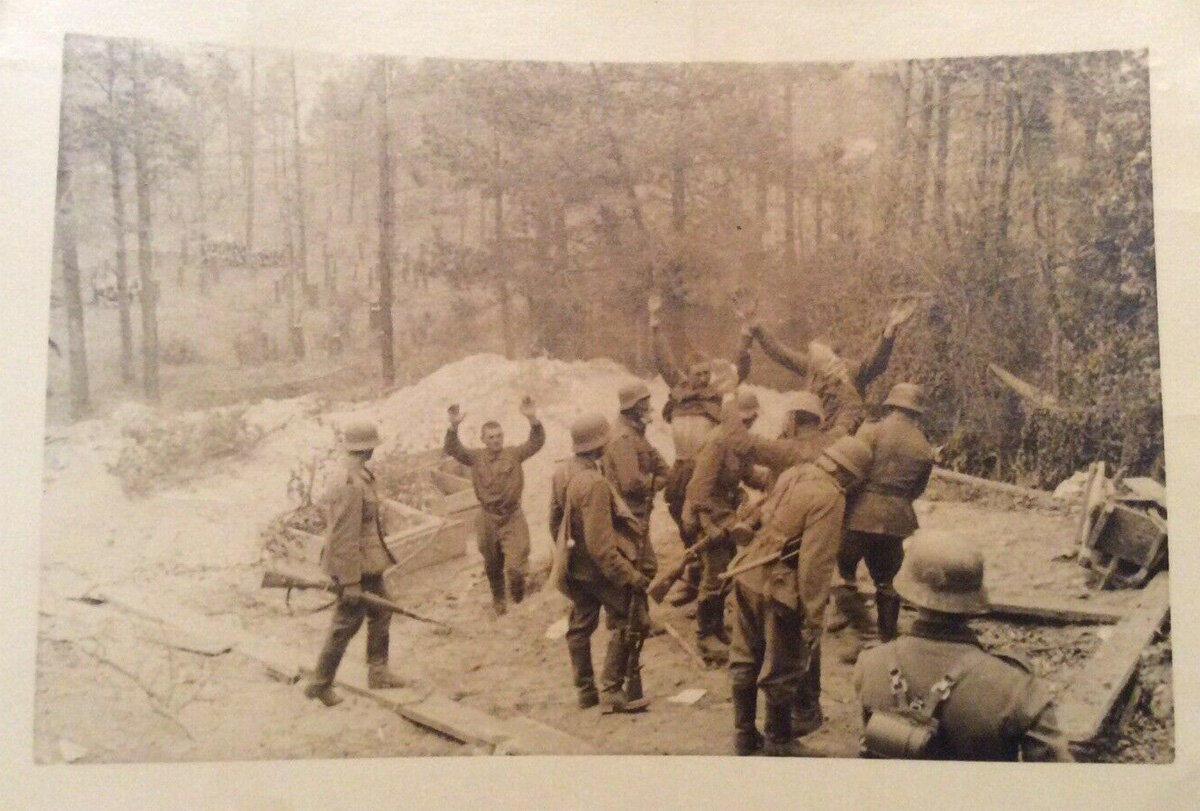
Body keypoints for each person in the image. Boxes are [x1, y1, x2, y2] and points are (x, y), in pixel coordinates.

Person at [854, 536, 1074, 761]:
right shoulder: (1014, 685)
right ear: (973, 601)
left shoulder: (870, 664)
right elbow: (1056, 775)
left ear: (909, 594)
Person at [726, 435, 873, 755]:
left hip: (747, 574)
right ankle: (778, 742)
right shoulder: (830, 496)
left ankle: (744, 735)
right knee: (783, 664)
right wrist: (813, 616)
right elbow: (815, 565)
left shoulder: (795, 473)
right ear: (849, 475)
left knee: (745, 656)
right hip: (778, 588)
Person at [551, 413, 655, 713]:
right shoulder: (595, 483)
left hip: (577, 568)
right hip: (600, 571)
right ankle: (611, 689)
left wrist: (571, 555)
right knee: (632, 620)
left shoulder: (565, 474)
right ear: (598, 446)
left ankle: (585, 692)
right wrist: (630, 575)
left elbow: (555, 521)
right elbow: (601, 546)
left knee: (580, 626)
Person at [305, 420, 407, 707]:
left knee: (382, 610)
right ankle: (320, 683)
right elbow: (345, 535)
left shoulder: (358, 476)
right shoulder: (349, 483)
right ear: (367, 450)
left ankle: (378, 671)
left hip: (366, 564)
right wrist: (350, 581)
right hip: (354, 567)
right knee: (346, 623)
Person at [834, 382, 936, 661]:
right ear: (916, 412)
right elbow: (917, 489)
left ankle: (861, 631)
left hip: (860, 515)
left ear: (891, 406)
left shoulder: (870, 430)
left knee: (840, 573)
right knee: (887, 581)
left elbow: (852, 473)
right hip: (897, 519)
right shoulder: (924, 446)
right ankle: (887, 639)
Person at [681, 389, 776, 666]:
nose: (749, 426)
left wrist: (772, 479)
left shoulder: (738, 441)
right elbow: (697, 492)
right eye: (745, 421)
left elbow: (747, 475)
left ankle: (717, 627)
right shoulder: (716, 443)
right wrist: (720, 524)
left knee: (726, 572)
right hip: (704, 514)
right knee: (714, 573)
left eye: (751, 421)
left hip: (722, 510)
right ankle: (704, 636)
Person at [747, 302, 917, 436]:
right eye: (813, 353)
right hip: (816, 432)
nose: (813, 356)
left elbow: (876, 363)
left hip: (843, 436)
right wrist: (756, 327)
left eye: (818, 352)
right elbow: (780, 353)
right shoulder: (812, 366)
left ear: (832, 356)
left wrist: (890, 329)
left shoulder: (851, 371)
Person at [444, 395, 545, 616]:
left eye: (499, 436)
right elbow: (453, 448)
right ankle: (499, 601)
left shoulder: (514, 454)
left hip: (512, 517)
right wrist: (453, 426)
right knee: (492, 565)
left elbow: (536, 443)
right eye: (491, 437)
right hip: (488, 518)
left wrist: (532, 419)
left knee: (515, 566)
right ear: (483, 439)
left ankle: (518, 599)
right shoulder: (476, 457)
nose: (496, 440)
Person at [603, 380, 670, 540]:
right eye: (643, 403)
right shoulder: (623, 438)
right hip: (627, 514)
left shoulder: (635, 432)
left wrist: (664, 474)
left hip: (636, 511)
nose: (648, 407)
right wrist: (658, 482)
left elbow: (655, 459)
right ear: (632, 408)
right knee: (643, 562)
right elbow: (631, 483)